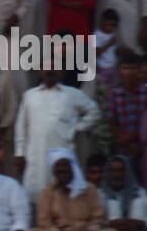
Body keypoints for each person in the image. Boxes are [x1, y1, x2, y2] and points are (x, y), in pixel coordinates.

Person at [14, 68, 102, 203]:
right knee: (35, 193)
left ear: (61, 72)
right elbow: (21, 126)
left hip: (63, 152)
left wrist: (77, 128)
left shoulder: (72, 94)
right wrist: (19, 152)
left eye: (55, 68)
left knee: (64, 193)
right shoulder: (29, 95)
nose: (50, 71)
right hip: (35, 153)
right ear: (40, 71)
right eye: (46, 68)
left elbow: (94, 112)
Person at [24, 149, 119, 231]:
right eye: (58, 166)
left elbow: (97, 219)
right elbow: (44, 222)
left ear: (73, 167)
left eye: (65, 166)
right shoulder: (47, 192)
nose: (62, 170)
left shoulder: (90, 189)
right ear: (54, 170)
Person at [99, 154, 147, 231]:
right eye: (113, 170)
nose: (116, 175)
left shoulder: (139, 192)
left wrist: (140, 223)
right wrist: (111, 223)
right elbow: (97, 220)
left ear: (127, 172)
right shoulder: (100, 193)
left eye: (121, 170)